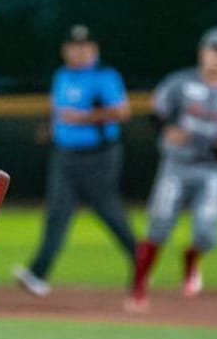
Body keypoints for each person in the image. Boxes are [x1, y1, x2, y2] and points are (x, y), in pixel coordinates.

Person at [126, 27, 217, 312]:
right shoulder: (178, 84)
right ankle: (138, 286)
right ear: (202, 52)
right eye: (215, 51)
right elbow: (155, 115)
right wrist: (168, 130)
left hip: (213, 170)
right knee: (158, 226)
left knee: (207, 234)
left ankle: (191, 259)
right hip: (177, 166)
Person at [13, 24, 135, 297]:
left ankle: (141, 259)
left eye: (84, 46)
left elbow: (122, 111)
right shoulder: (62, 76)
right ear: (65, 50)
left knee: (108, 211)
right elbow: (59, 113)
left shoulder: (104, 76)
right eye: (73, 46)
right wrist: (52, 130)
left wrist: (82, 118)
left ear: (94, 50)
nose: (78, 51)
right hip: (65, 156)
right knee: (57, 214)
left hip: (99, 155)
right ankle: (38, 273)